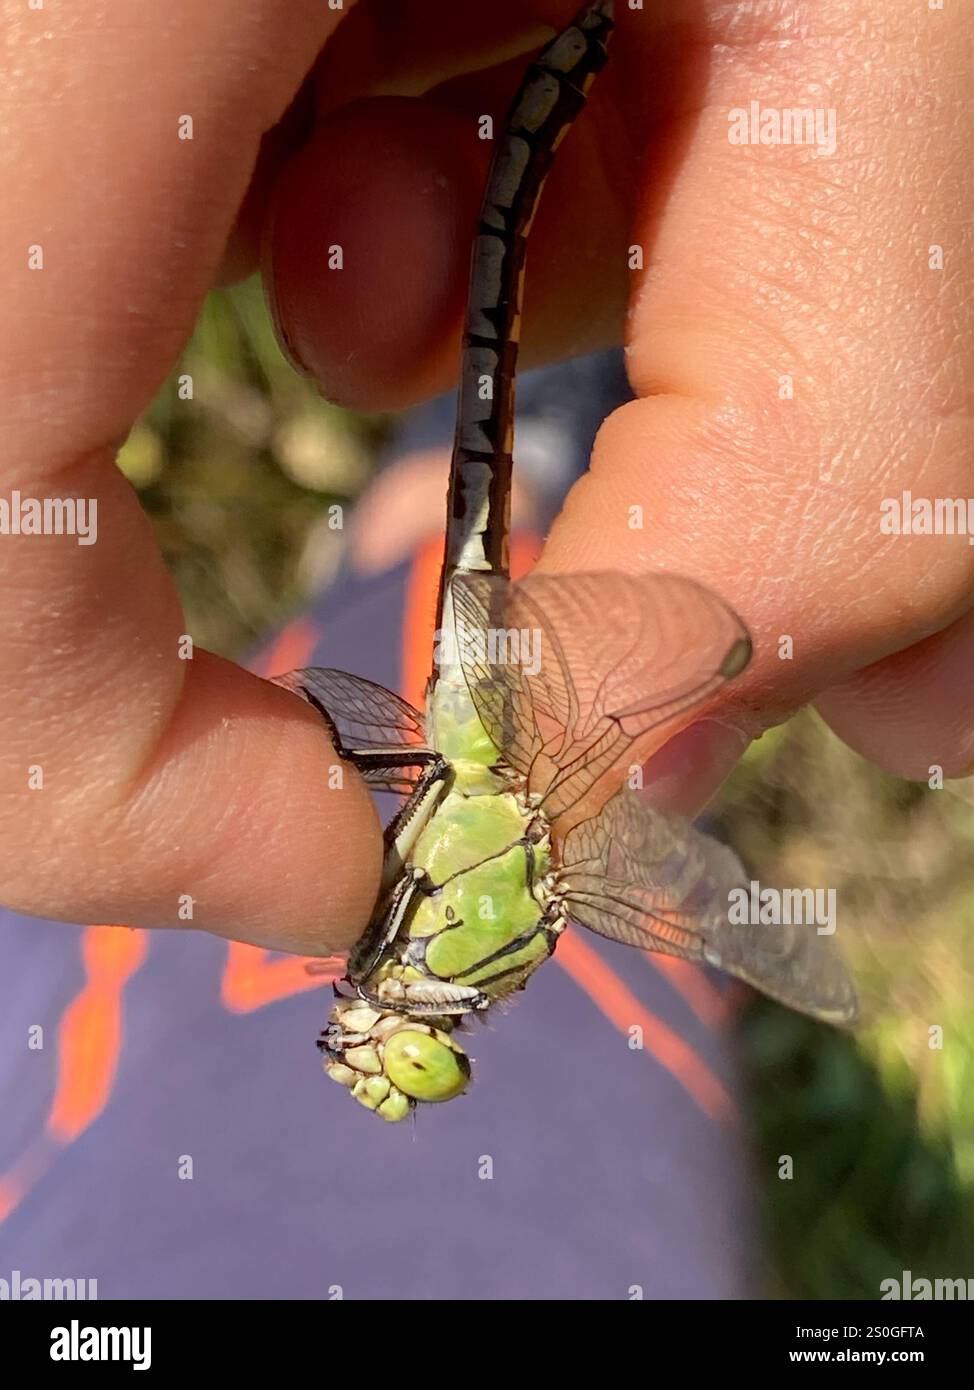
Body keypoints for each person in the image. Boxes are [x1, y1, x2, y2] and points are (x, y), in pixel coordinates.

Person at [0, 0, 970, 1298]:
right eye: (415, 1057)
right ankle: (513, 442)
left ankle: (509, 438)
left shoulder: (411, 932)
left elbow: (339, 727)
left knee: (405, 579)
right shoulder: (434, 929)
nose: (373, 1059)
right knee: (446, 532)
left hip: (465, 739)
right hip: (490, 737)